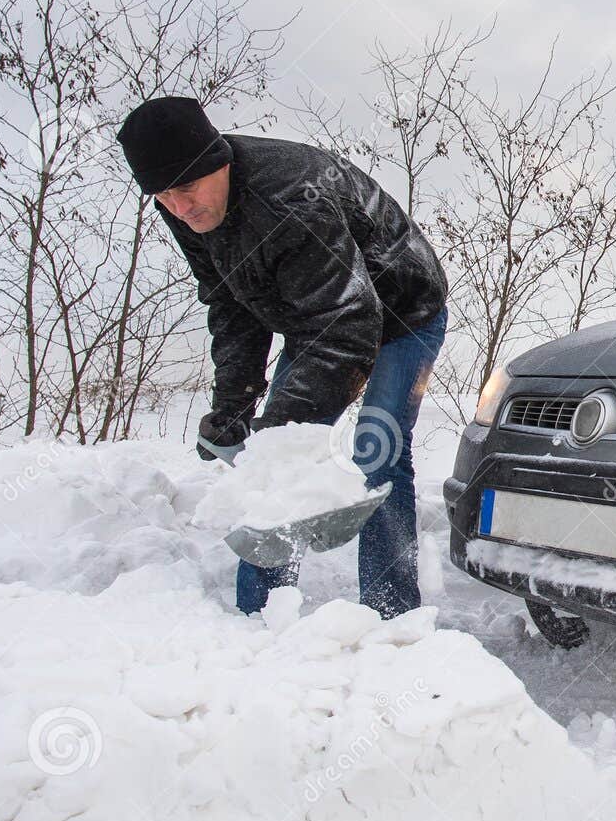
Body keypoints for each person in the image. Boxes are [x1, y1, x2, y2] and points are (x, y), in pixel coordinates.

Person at [116, 95, 448, 619]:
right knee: (274, 454)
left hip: (405, 310)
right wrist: (236, 404)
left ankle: (392, 617)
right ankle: (261, 614)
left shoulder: (292, 198)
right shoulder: (189, 209)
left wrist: (280, 433)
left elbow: (347, 324)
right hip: (317, 315)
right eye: (162, 196)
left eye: (185, 189)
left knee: (378, 449)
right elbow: (231, 303)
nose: (179, 208)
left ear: (218, 161)